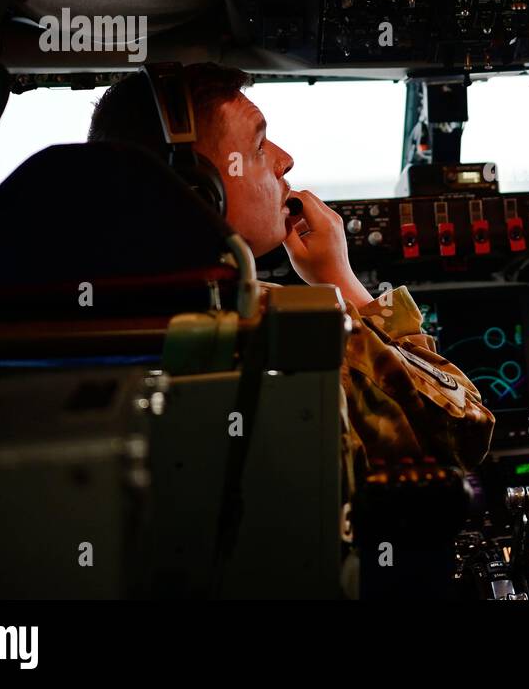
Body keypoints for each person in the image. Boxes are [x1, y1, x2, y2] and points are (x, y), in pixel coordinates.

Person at [86, 63, 495, 481]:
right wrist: (342, 284)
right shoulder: (286, 328)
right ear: (197, 189)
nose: (285, 160)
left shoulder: (68, 317)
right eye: (259, 147)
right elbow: (464, 430)